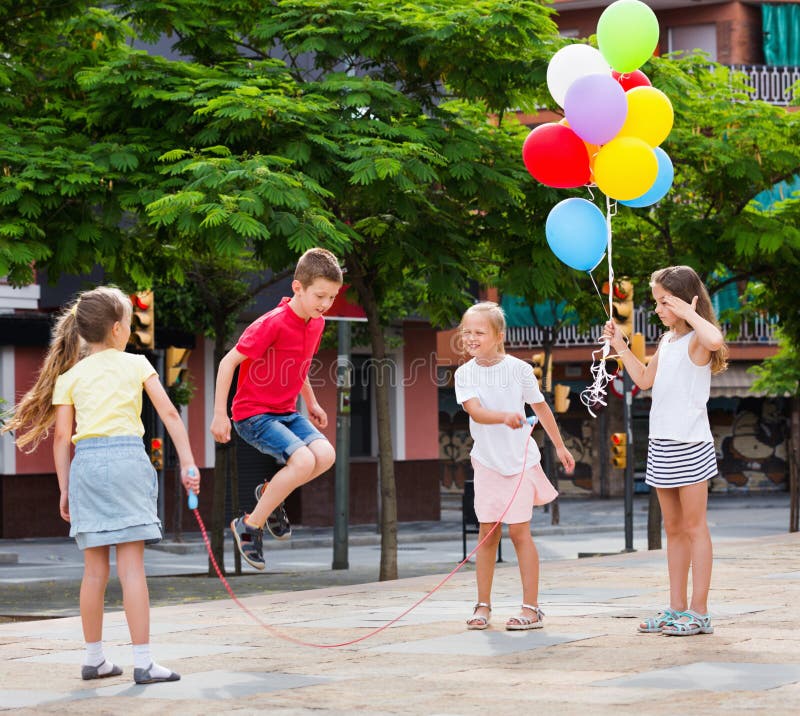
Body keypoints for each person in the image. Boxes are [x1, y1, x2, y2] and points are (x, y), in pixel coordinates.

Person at [1, 286, 200, 683]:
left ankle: (94, 658)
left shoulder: (70, 376)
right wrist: (189, 463)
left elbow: (61, 439)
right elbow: (171, 416)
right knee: (131, 568)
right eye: (128, 322)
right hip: (128, 461)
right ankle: (143, 662)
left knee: (94, 570)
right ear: (116, 329)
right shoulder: (137, 365)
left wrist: (64, 488)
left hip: (86, 466)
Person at [603, 266, 728, 637]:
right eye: (656, 301)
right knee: (673, 530)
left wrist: (690, 313)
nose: (657, 308)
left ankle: (700, 611)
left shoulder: (697, 341)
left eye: (663, 301)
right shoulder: (667, 342)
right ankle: (676, 607)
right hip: (661, 445)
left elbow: (716, 338)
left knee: (694, 528)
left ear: (683, 299)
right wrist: (621, 347)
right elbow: (643, 380)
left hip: (691, 444)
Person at [210, 247, 342, 570]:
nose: (325, 304)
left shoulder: (316, 323)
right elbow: (229, 362)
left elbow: (300, 365)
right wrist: (218, 414)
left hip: (287, 412)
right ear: (298, 287)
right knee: (302, 460)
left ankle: (269, 491)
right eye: (320, 296)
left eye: (332, 298)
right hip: (252, 414)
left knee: (325, 456)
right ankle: (249, 526)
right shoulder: (272, 323)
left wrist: (310, 401)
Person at [455, 301, 575, 631]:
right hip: (487, 463)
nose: (471, 338)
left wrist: (560, 445)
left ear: (498, 335)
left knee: (520, 532)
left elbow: (542, 408)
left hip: (520, 463)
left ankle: (531, 608)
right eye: (467, 332)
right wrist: (504, 417)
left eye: (479, 332)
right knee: (487, 534)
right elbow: (476, 412)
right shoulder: (464, 373)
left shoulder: (520, 370)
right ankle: (482, 606)